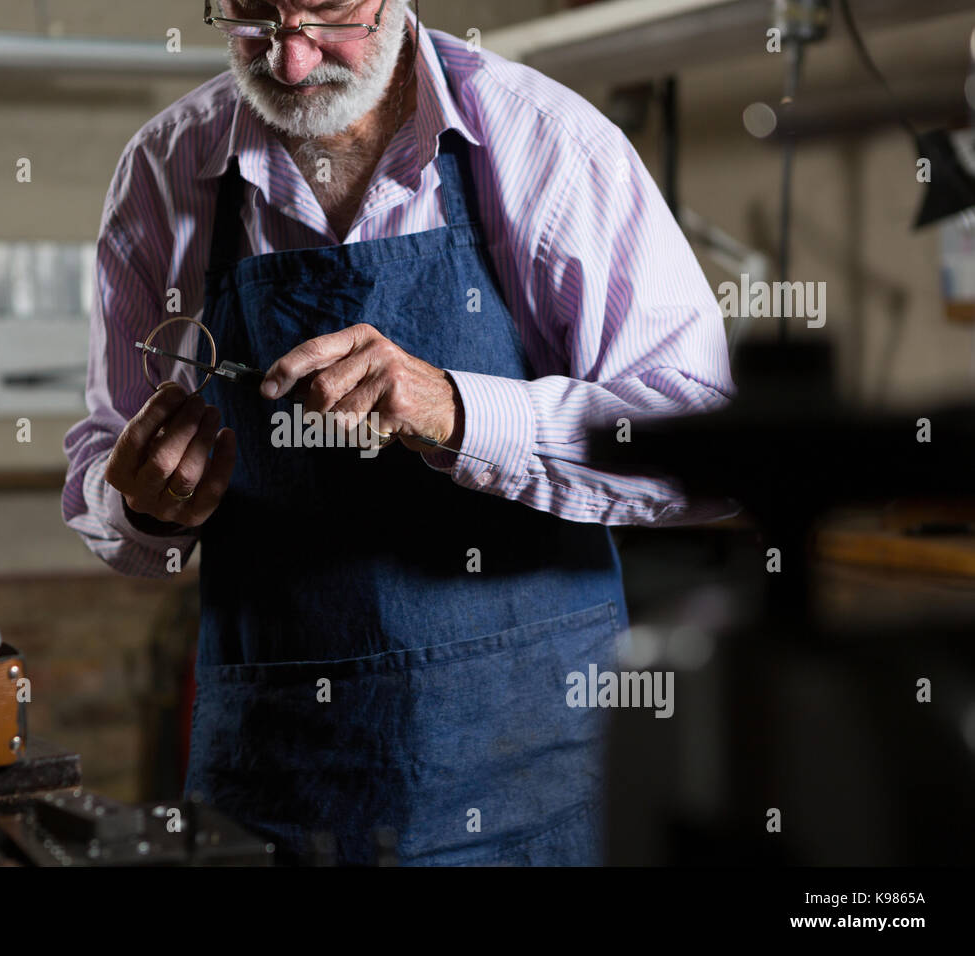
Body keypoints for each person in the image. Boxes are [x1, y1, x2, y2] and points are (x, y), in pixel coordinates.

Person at [62, 0, 735, 865]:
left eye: (328, 17)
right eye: (253, 20)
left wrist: (457, 411)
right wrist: (145, 507)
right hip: (278, 776)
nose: (291, 63)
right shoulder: (166, 171)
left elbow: (703, 448)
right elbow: (103, 459)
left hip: (537, 781)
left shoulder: (548, 147)